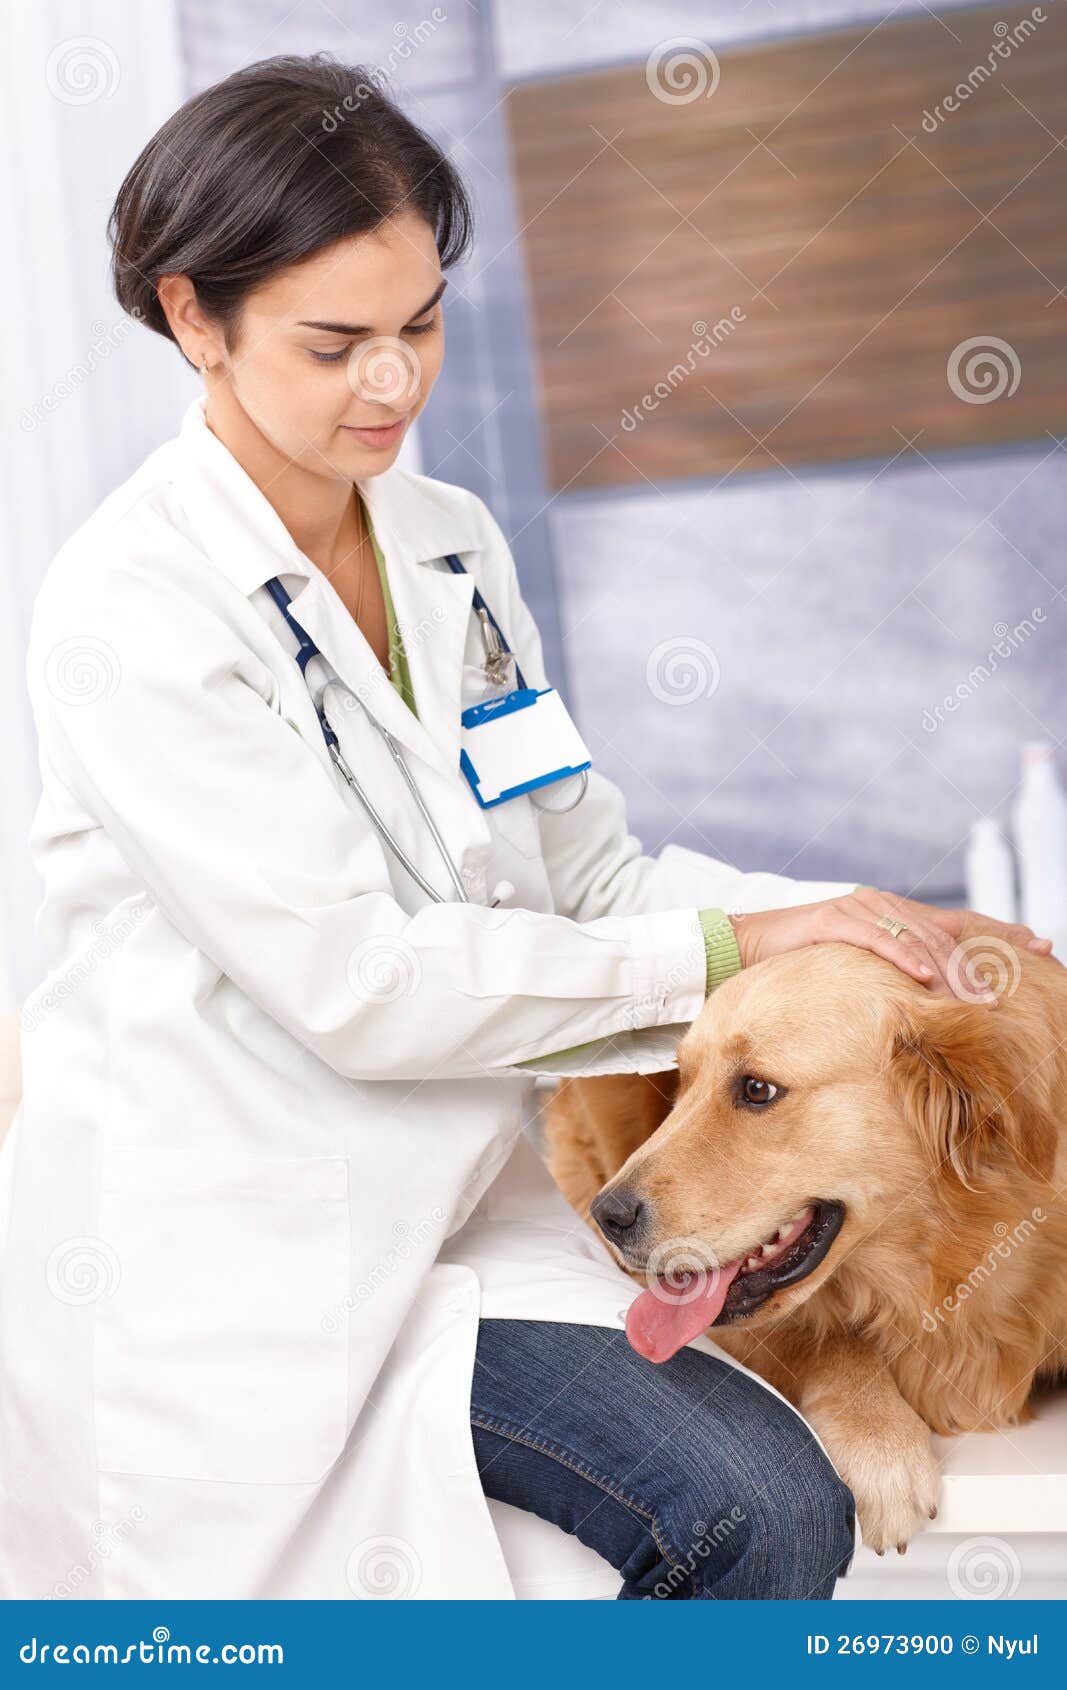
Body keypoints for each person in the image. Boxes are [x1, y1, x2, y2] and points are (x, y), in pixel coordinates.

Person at [0, 53, 1052, 1603]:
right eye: (334, 342)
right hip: (236, 1277)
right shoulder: (131, 608)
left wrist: (850, 923)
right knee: (747, 1509)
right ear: (191, 318)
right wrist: (730, 940)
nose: (394, 384)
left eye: (420, 325)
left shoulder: (451, 550)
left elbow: (588, 872)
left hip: (465, 1232)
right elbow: (365, 982)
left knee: (772, 1487)